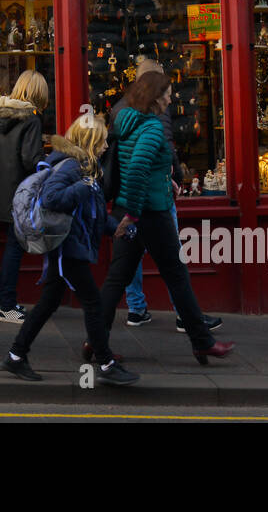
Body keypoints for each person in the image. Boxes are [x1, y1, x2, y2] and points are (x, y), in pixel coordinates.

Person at [98, 71, 236, 366]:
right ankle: (202, 343)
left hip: (129, 209)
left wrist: (164, 181)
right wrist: (134, 215)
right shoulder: (150, 128)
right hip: (149, 214)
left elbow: (139, 167)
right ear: (153, 97)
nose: (171, 98)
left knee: (116, 280)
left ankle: (95, 342)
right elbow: (136, 170)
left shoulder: (125, 120)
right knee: (177, 276)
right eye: (167, 94)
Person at [1, 112, 139, 385]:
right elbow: (51, 199)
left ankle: (16, 356)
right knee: (93, 303)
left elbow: (94, 213)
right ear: (89, 141)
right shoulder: (72, 168)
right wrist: (82, 187)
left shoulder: (86, 168)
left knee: (49, 302)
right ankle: (106, 363)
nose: (106, 146)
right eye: (101, 141)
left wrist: (116, 229)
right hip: (67, 248)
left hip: (69, 245)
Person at [0, 69, 49, 324]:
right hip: (21, 193)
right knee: (14, 248)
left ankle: (5, 302)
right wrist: (50, 165)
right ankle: (6, 305)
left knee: (11, 246)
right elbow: (31, 159)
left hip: (2, 192)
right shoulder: (31, 119)